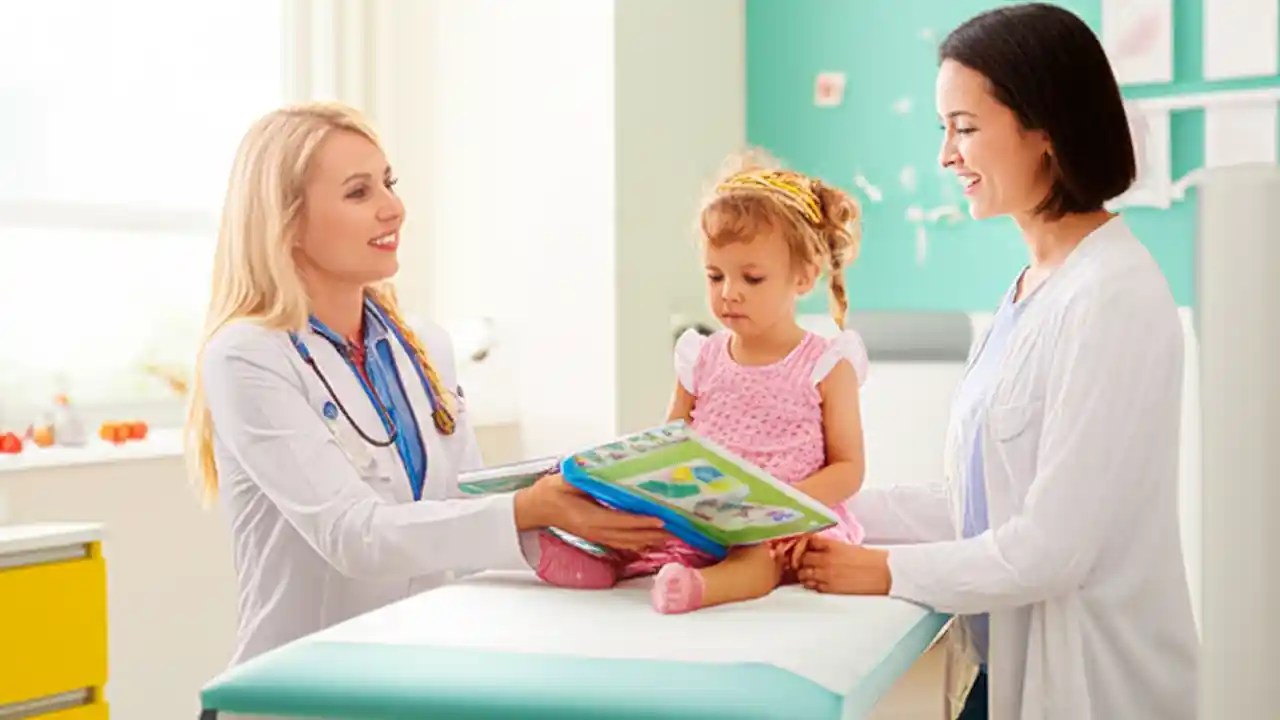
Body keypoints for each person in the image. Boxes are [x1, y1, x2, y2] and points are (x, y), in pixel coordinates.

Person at [794, 4, 1199, 718]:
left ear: (1046, 130)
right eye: (943, 130)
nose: (946, 156)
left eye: (965, 128)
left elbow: (1051, 548)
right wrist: (822, 507)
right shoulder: (1030, 291)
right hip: (996, 667)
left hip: (1090, 686)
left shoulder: (1114, 297)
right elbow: (977, 504)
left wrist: (878, 570)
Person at [184, 102, 669, 666]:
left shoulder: (425, 346)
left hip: (416, 670)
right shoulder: (248, 356)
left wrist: (614, 532)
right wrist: (531, 510)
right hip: (299, 685)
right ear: (287, 222)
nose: (393, 209)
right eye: (359, 193)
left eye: (389, 184)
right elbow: (353, 536)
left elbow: (461, 515)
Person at [534, 152, 871, 614]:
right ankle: (597, 564)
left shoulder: (827, 364)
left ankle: (700, 589)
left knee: (757, 555)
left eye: (751, 278)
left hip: (780, 523)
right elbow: (669, 440)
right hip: (706, 513)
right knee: (639, 531)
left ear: (804, 276)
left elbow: (849, 467)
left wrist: (789, 508)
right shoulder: (702, 357)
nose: (729, 291)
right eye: (715, 276)